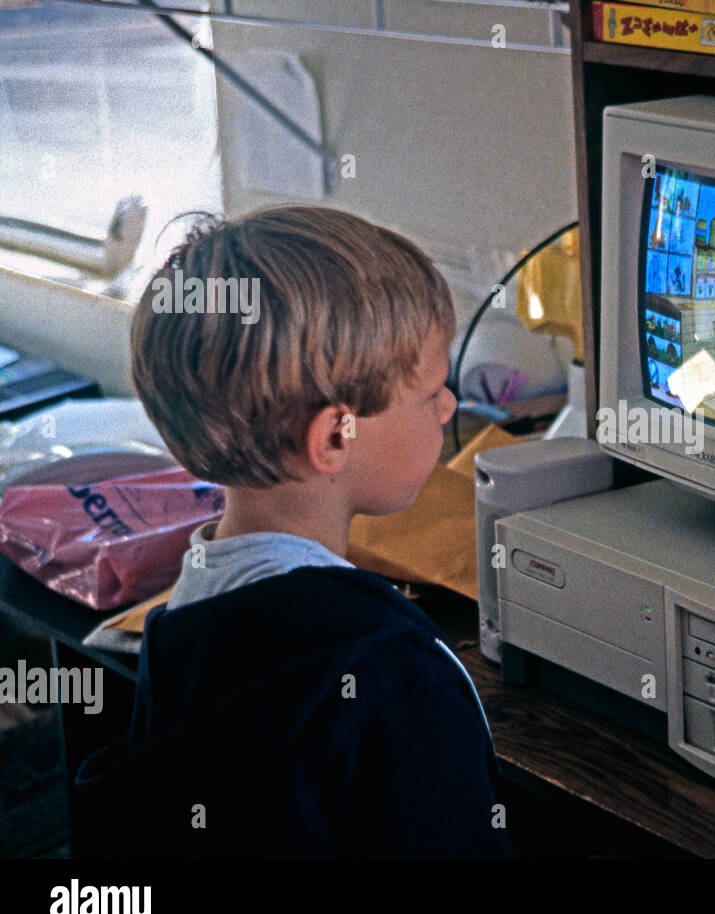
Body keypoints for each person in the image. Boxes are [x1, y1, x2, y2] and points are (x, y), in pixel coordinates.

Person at [75, 206, 513, 858]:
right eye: (431, 393)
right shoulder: (397, 672)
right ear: (336, 436)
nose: (450, 407)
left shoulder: (184, 616)